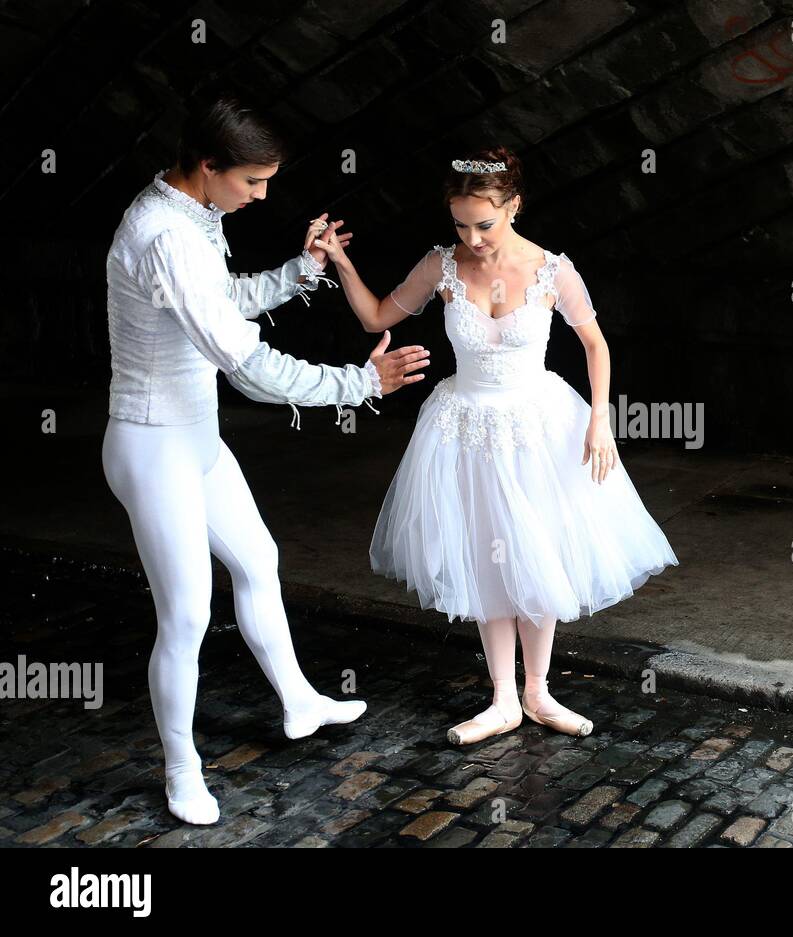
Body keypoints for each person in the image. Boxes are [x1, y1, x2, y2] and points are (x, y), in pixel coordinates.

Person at [101, 95, 431, 824]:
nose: (262, 195)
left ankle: (300, 702)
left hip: (195, 438)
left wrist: (297, 270)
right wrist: (357, 383)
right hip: (152, 445)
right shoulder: (165, 236)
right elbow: (245, 364)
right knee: (187, 614)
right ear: (209, 166)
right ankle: (182, 770)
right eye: (253, 181)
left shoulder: (193, 212)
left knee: (258, 559)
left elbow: (221, 303)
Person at [314, 147, 679, 745]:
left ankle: (538, 691)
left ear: (513, 205)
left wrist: (601, 422)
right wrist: (340, 263)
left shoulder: (551, 269)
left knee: (540, 551)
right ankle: (503, 700)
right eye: (461, 225)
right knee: (487, 554)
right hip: (465, 427)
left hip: (538, 423)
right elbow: (376, 316)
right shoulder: (441, 266)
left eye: (484, 223)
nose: (473, 238)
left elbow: (596, 345)